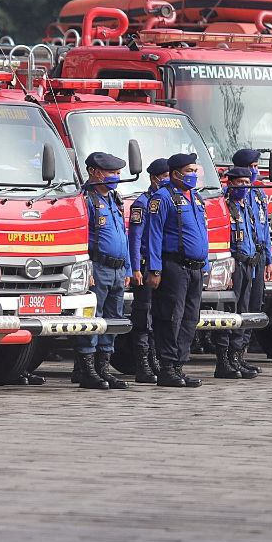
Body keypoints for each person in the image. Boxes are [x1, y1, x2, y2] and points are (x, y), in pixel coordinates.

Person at [145, 152, 209, 388]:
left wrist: (207, 263)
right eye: (189, 171)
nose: (193, 175)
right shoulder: (163, 198)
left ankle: (179, 365)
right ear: (175, 174)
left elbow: (203, 232)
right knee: (170, 317)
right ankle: (167, 367)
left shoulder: (196, 198)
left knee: (190, 318)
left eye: (194, 170)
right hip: (173, 266)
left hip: (195, 268)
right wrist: (154, 268)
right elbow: (154, 234)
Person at [75, 152, 130, 390]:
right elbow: (81, 237)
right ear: (94, 172)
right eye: (112, 173)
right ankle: (86, 368)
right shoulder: (86, 199)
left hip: (117, 269)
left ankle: (103, 367)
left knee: (112, 319)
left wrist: (127, 267)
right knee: (92, 318)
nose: (116, 177)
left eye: (118, 173)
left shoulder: (115, 199)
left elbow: (123, 235)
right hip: (97, 266)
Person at [126, 157, 171, 384]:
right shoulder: (142, 204)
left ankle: (154, 360)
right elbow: (134, 239)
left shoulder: (164, 201)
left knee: (158, 316)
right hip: (144, 266)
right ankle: (142, 365)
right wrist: (135, 268)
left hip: (159, 266)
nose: (167, 181)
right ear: (154, 178)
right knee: (143, 316)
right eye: (164, 177)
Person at [231, 148, 272, 376]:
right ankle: (232, 354)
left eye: (257, 167)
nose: (256, 172)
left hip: (258, 256)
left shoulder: (258, 195)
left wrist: (268, 260)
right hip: (240, 259)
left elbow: (264, 230)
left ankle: (242, 353)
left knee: (254, 306)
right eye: (253, 167)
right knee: (240, 307)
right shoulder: (233, 197)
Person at [213, 167, 256, 379]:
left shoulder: (247, 206)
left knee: (244, 312)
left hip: (249, 264)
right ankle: (223, 360)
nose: (244, 187)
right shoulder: (225, 206)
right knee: (229, 312)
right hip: (233, 265)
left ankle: (237, 356)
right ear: (230, 184)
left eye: (247, 182)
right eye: (239, 183)